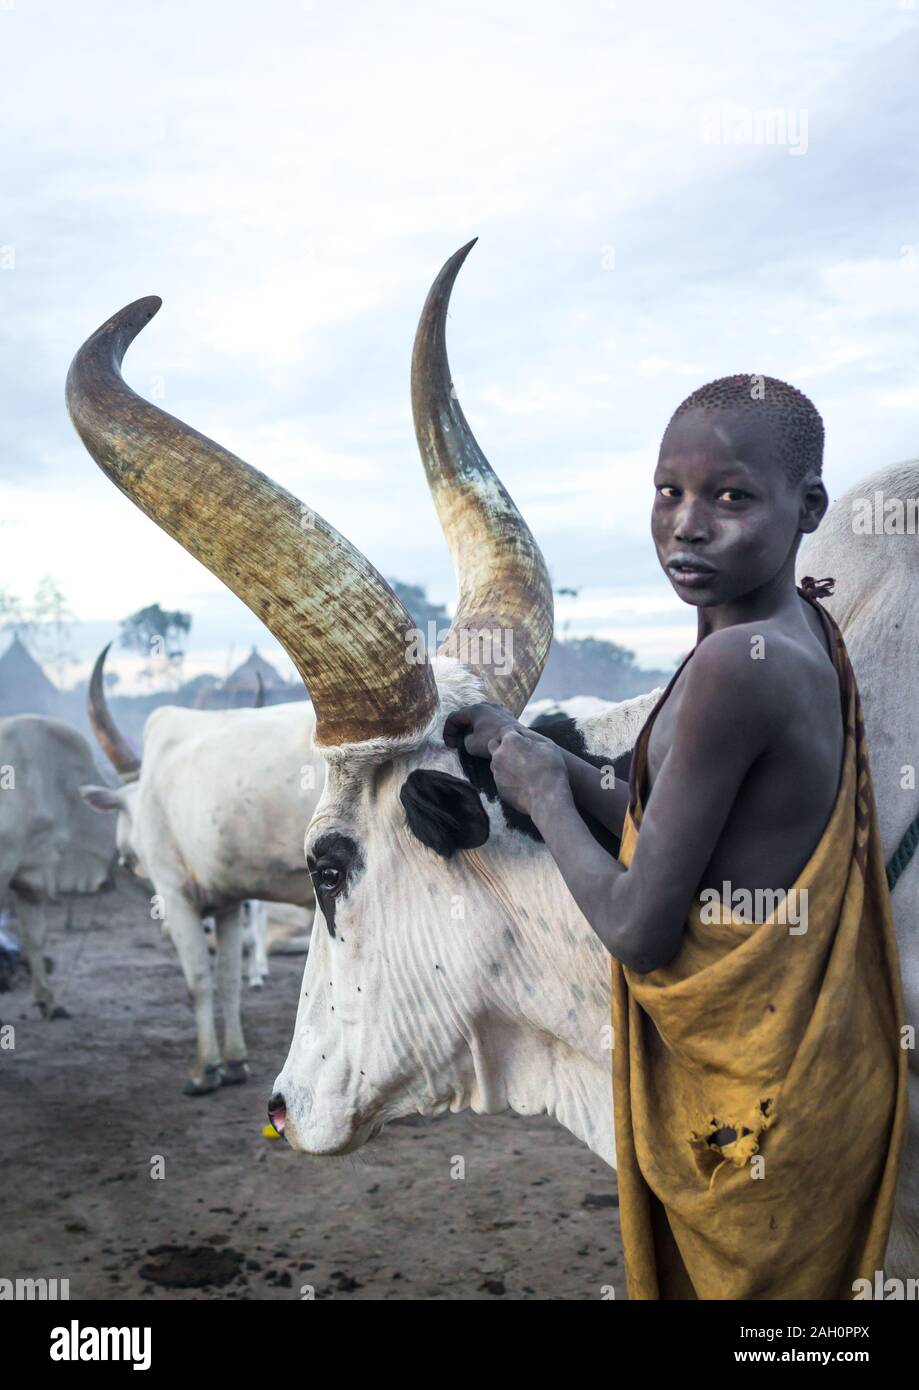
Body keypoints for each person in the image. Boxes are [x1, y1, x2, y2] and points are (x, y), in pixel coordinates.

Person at [445, 375, 907, 1300]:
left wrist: (539, 797)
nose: (688, 525)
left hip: (753, 1107)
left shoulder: (736, 665)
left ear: (807, 507)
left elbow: (639, 926)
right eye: (669, 492)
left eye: (729, 496)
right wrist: (527, 747)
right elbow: (663, 824)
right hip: (813, 1087)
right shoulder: (791, 628)